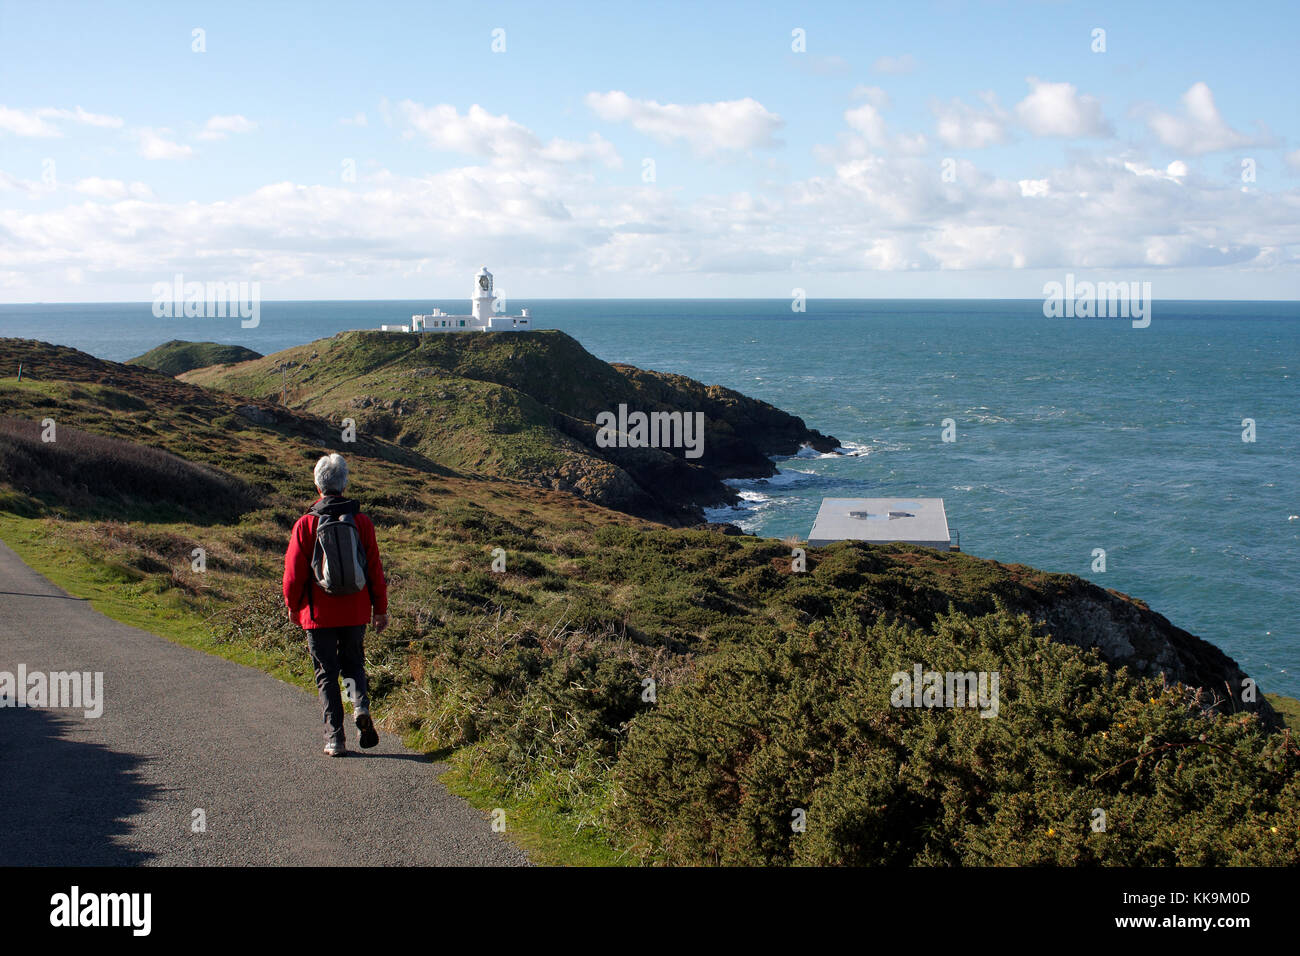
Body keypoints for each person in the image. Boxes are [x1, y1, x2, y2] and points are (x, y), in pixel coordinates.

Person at [282, 453, 389, 757]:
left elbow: (293, 574)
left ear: (317, 484)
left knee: (327, 673)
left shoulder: (305, 524)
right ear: (344, 484)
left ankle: (335, 738)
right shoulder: (363, 523)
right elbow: (374, 571)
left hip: (318, 615)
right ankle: (360, 706)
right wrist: (379, 609)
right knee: (353, 664)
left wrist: (293, 605)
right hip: (355, 611)